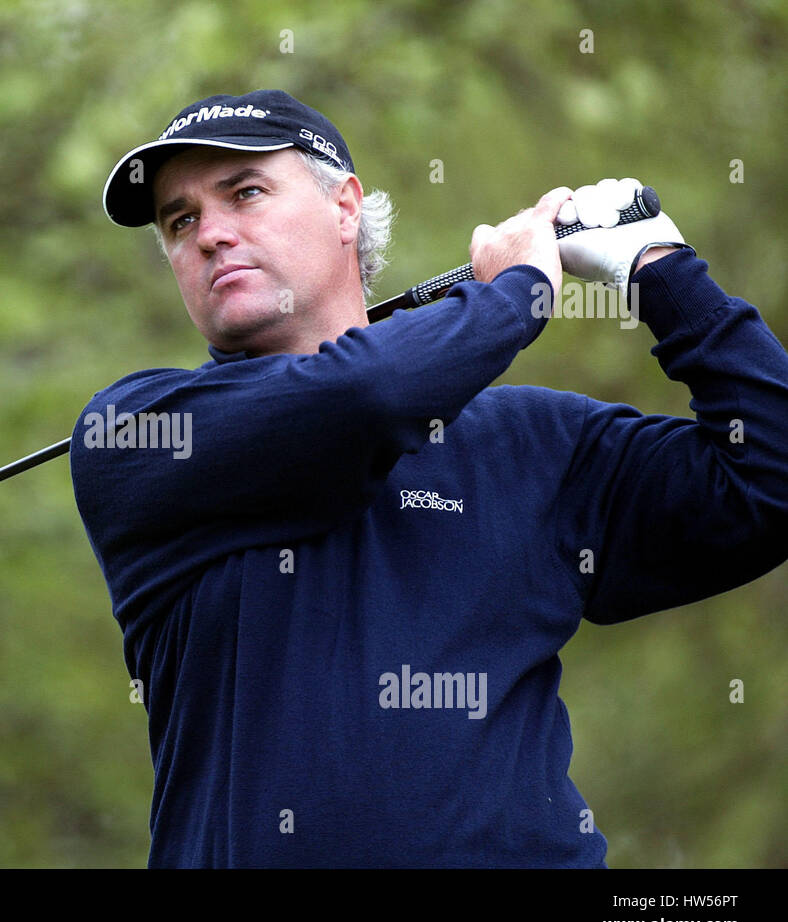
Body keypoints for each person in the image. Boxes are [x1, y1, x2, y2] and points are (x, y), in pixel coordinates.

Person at [68, 89, 788, 867]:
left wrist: (665, 274)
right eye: (180, 220)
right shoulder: (138, 434)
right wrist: (517, 292)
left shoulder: (532, 442)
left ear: (345, 208)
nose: (209, 233)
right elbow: (363, 397)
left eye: (244, 192)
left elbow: (769, 484)